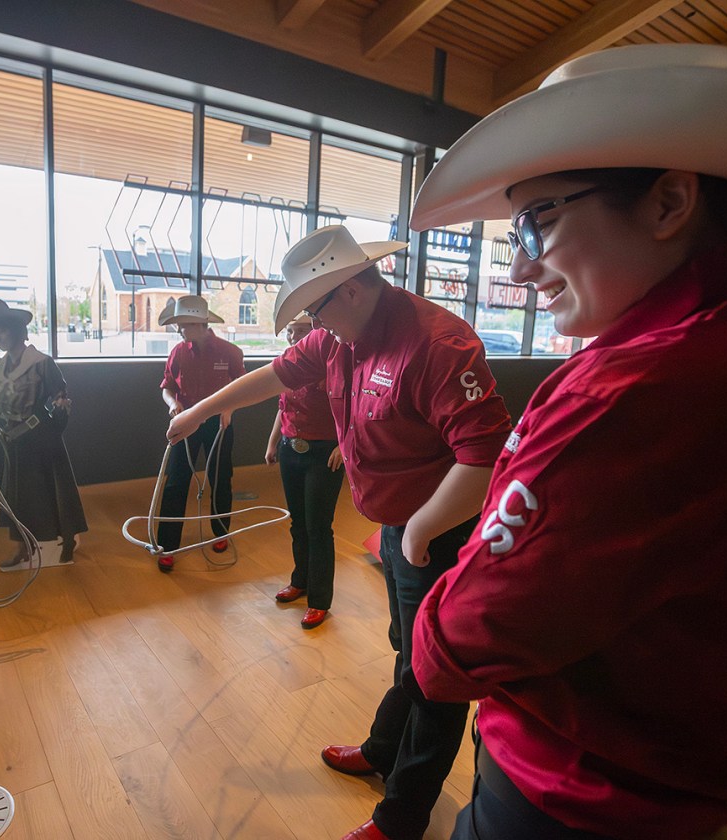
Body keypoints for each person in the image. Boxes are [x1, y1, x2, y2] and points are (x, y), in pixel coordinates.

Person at [407, 44, 727, 840]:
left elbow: (467, 635)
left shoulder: (640, 387)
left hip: (579, 799)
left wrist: (431, 629)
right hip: (690, 784)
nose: (521, 269)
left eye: (539, 220)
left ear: (668, 204)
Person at [166, 225, 513, 840]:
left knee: (439, 676)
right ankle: (383, 751)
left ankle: (402, 816)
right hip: (402, 528)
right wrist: (197, 410)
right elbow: (276, 376)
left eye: (317, 307)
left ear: (351, 290)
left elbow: (485, 458)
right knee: (410, 653)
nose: (313, 323)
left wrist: (422, 528)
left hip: (443, 533)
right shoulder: (337, 338)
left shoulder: (437, 343)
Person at [0, 298, 87, 568]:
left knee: (56, 491)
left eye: (1, 330)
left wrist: (53, 431)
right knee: (17, 497)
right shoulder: (2, 366)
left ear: (16, 329)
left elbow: (61, 397)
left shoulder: (41, 362)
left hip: (42, 438)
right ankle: (24, 546)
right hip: (14, 439)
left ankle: (67, 541)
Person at [155, 294, 245, 572]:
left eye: (185, 325)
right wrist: (174, 404)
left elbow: (242, 387)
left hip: (218, 422)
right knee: (176, 482)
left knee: (220, 477)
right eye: (179, 325)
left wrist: (229, 409)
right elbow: (167, 387)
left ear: (201, 324)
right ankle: (167, 545)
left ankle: (221, 533)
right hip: (185, 421)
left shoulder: (230, 351)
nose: (181, 330)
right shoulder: (178, 352)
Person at [265, 317, 344, 629]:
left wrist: (343, 445)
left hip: (323, 455)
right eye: (290, 330)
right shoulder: (286, 367)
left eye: (300, 330)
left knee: (318, 527)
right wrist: (272, 443)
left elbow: (350, 407)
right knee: (298, 522)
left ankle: (320, 600)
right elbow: (281, 409)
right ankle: (301, 580)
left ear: (315, 333)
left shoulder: (333, 367)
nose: (293, 335)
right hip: (290, 449)